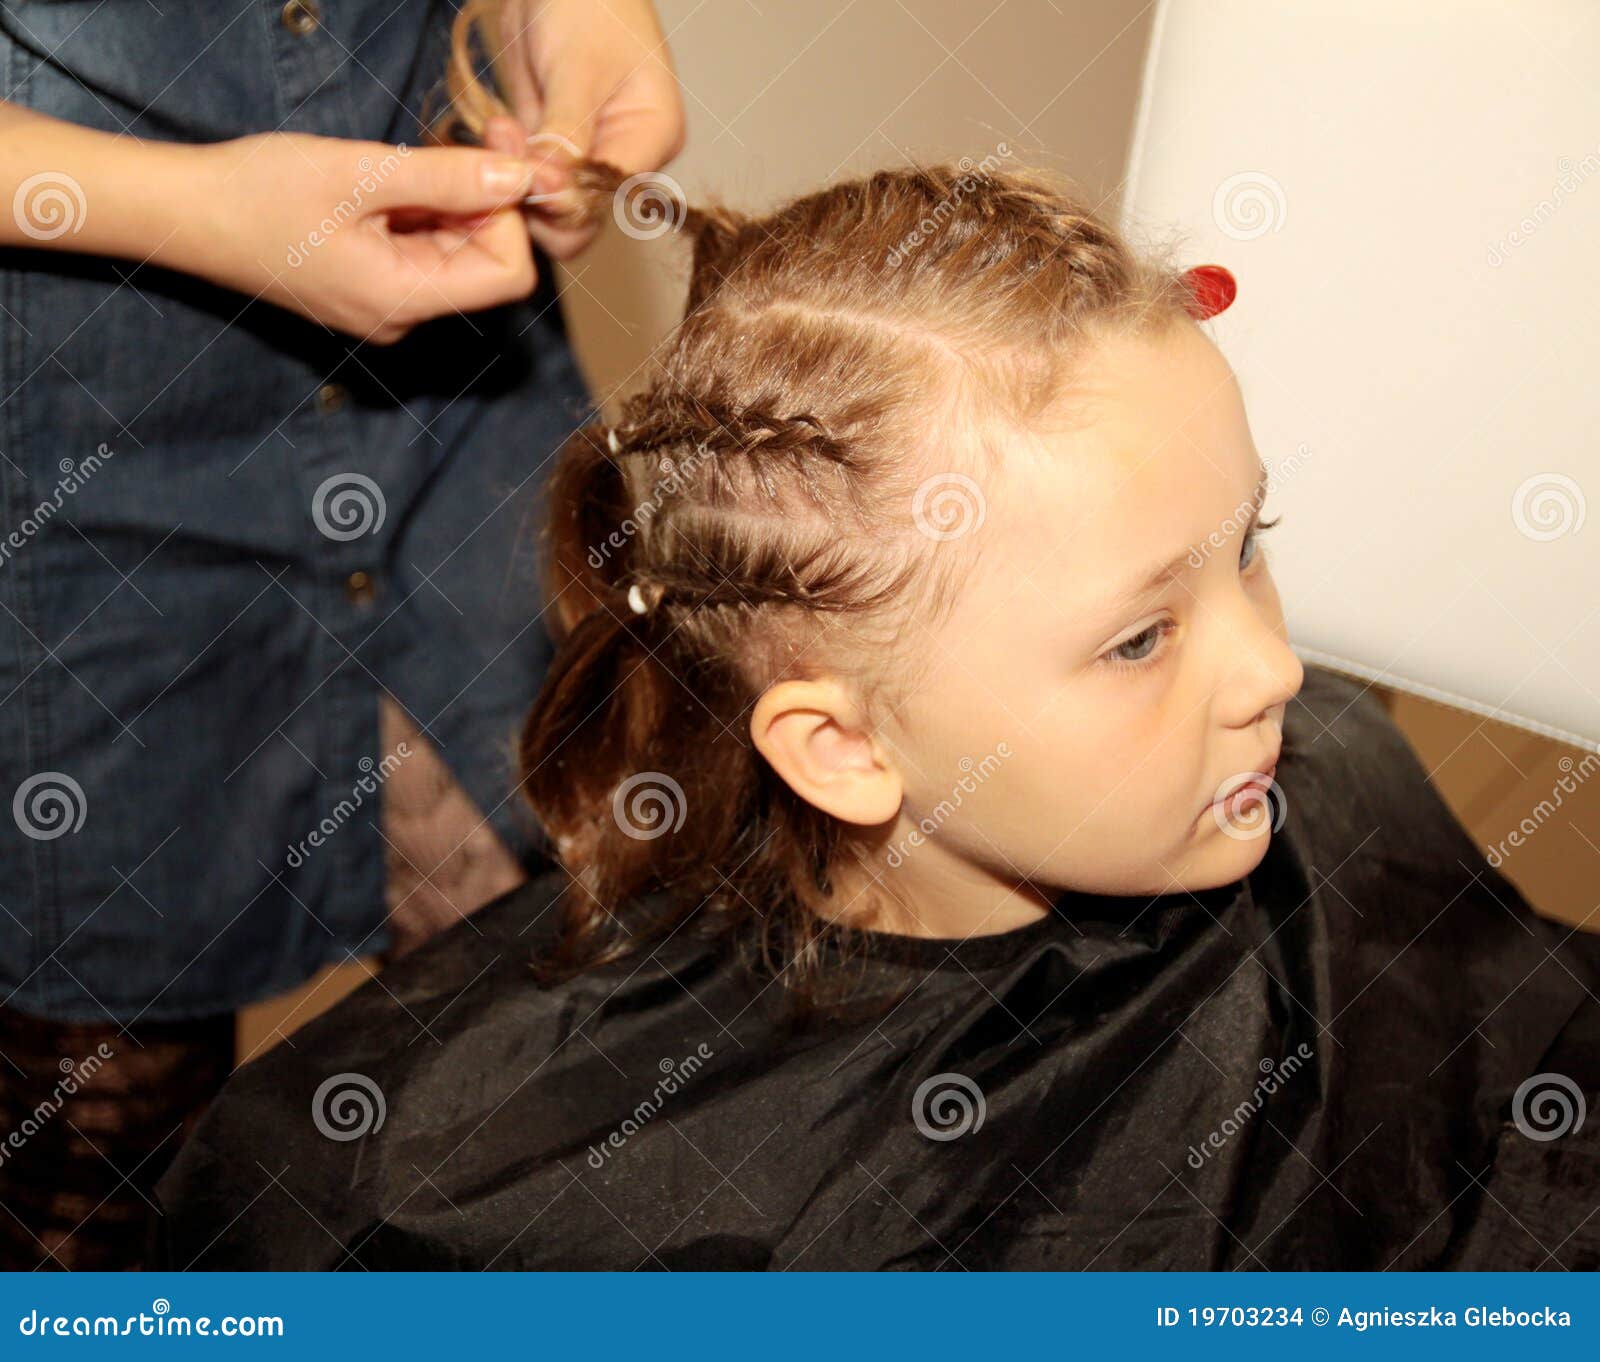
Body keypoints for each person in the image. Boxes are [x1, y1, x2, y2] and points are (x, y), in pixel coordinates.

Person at [152, 157, 1600, 1269]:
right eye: (1144, 634)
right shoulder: (455, 1184)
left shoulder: (1327, 777)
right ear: (843, 746)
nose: (1276, 669)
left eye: (1251, 543)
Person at [0, 0, 683, 1268]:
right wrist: (190, 209)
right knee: (96, 1113)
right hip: (64, 427)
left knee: (569, 994)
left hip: (456, 379)